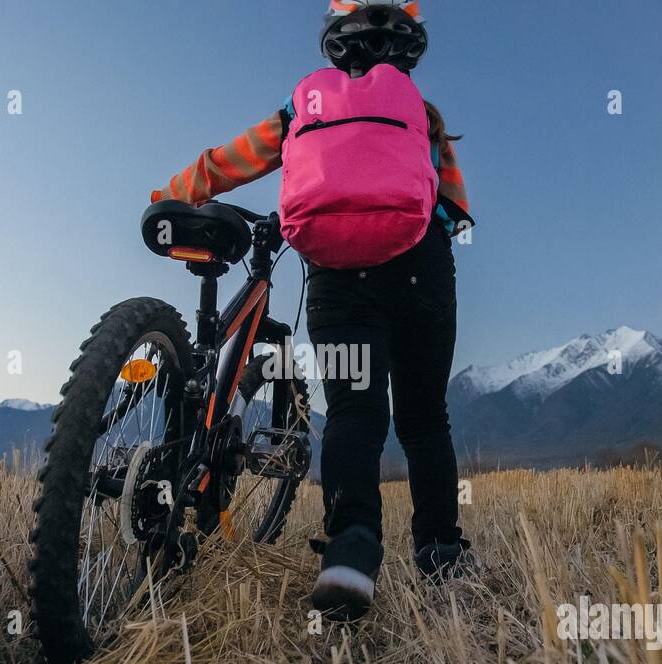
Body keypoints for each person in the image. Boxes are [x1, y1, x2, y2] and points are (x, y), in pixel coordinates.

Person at [151, 0, 474, 619]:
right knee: (425, 417)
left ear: (336, 43)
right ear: (408, 47)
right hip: (418, 272)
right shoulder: (423, 119)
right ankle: (440, 553)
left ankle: (352, 551)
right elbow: (453, 208)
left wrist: (168, 197)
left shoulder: (303, 109)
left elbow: (225, 163)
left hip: (335, 275)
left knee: (354, 410)